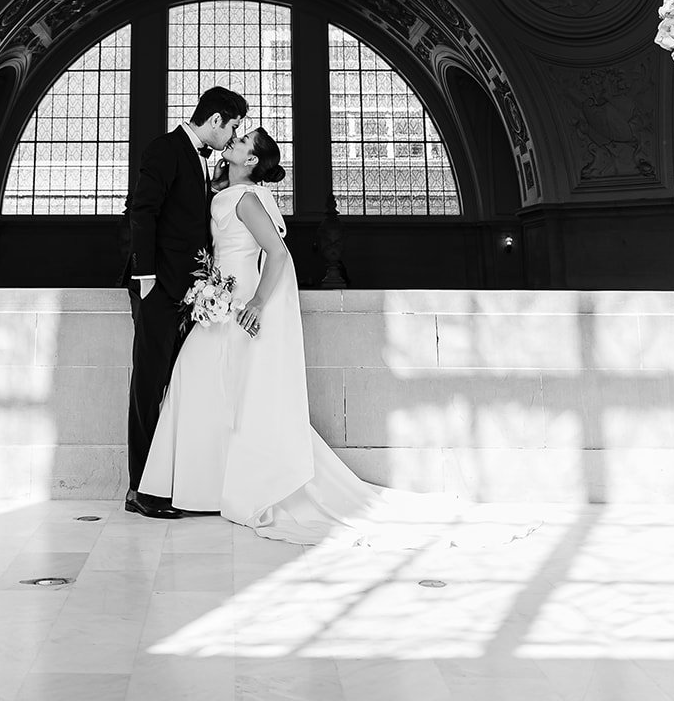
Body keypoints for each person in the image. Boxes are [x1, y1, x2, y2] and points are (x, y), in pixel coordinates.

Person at [140, 127, 538, 548]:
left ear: (252, 161)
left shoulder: (246, 199)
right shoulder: (225, 191)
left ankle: (224, 487)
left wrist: (255, 303)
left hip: (238, 309)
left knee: (217, 388)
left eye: (241, 142)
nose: (232, 142)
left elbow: (277, 254)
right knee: (209, 388)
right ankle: (201, 488)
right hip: (221, 303)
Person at [125, 85, 248, 519]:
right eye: (233, 126)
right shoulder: (165, 148)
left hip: (191, 296)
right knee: (149, 385)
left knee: (177, 389)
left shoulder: (203, 161)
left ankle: (168, 484)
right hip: (159, 291)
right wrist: (146, 281)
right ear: (215, 120)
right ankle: (140, 490)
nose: (234, 136)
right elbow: (142, 212)